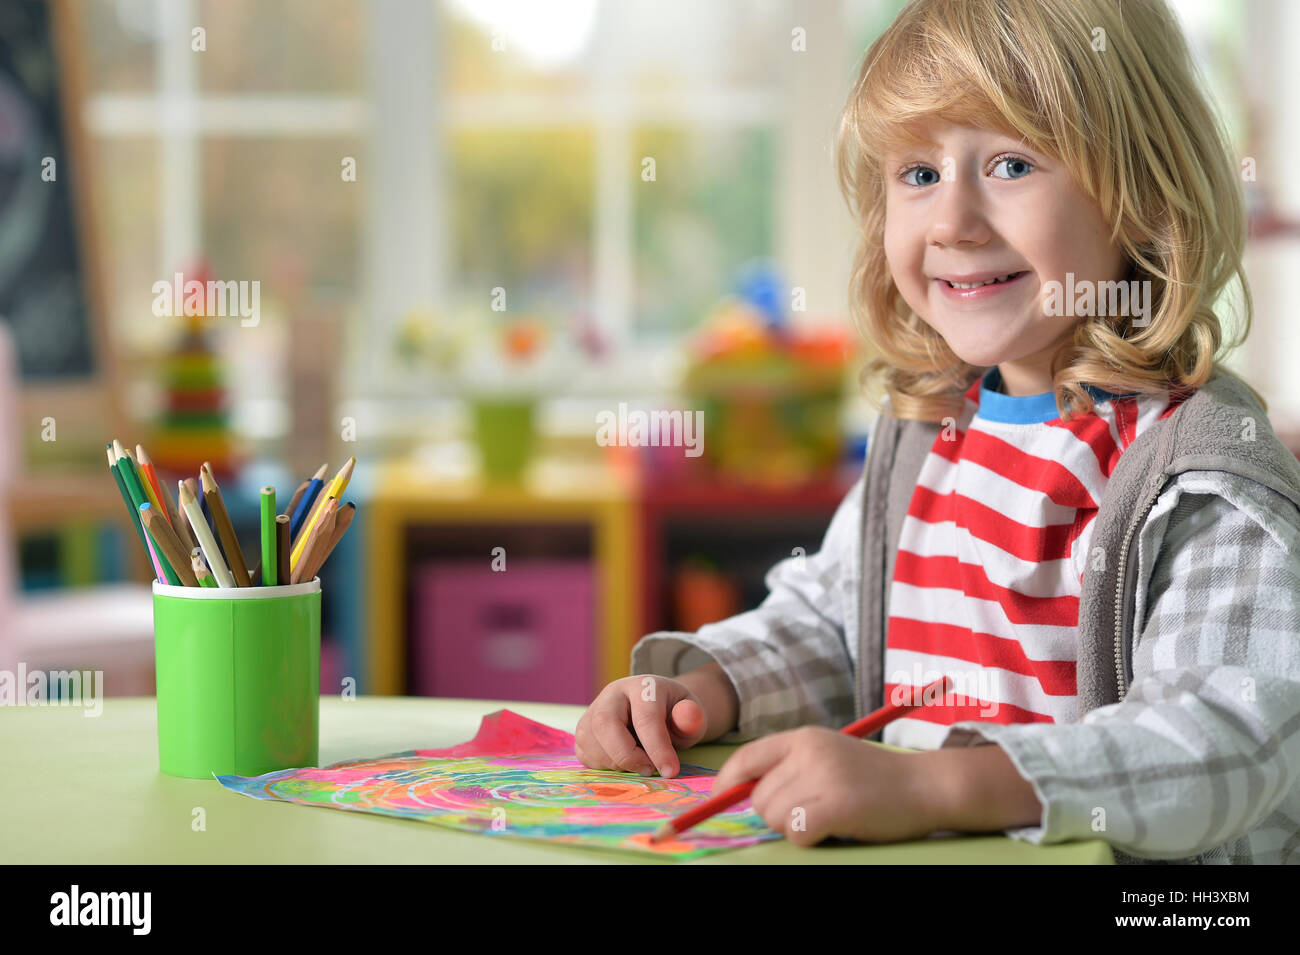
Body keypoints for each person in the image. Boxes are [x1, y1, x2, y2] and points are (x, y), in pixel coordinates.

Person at [576, 0, 1300, 864]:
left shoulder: (1204, 469)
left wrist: (935, 786)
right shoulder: (929, 433)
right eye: (918, 174)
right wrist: (701, 690)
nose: (953, 221)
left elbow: (1228, 740)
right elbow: (834, 626)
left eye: (1010, 163)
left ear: (1143, 198)